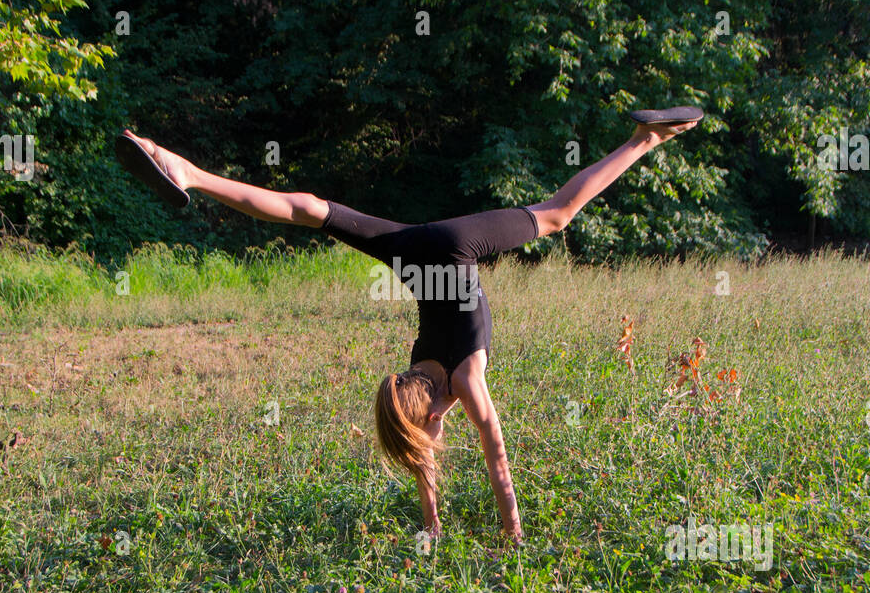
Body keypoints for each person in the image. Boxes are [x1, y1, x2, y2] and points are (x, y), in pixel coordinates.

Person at [115, 106, 701, 542]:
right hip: (416, 250)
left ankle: (642, 140)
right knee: (310, 210)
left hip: (454, 247)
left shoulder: (466, 381)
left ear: (431, 405)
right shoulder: (408, 379)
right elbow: (424, 440)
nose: (435, 439)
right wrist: (431, 521)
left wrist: (513, 533)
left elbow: (497, 456)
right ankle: (185, 170)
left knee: (557, 215)